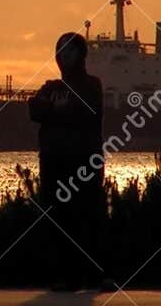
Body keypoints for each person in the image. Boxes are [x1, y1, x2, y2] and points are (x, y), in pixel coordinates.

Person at [28, 31, 113, 292]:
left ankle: (95, 275)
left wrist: (53, 111)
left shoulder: (92, 85)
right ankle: (64, 276)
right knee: (59, 220)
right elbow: (34, 108)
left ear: (82, 54)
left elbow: (84, 109)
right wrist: (60, 109)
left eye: (69, 50)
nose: (64, 55)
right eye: (60, 50)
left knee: (89, 217)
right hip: (55, 164)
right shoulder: (51, 87)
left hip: (84, 162)